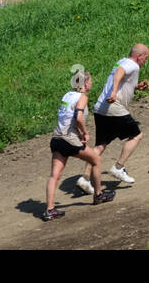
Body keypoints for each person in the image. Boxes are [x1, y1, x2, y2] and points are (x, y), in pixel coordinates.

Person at [77, 44, 149, 194]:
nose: (145, 61)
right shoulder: (132, 65)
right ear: (139, 56)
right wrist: (115, 92)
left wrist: (136, 87)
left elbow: (120, 78)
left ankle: (84, 178)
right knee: (136, 135)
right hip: (114, 107)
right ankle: (118, 168)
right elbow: (119, 74)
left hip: (100, 108)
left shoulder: (122, 61)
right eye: (146, 58)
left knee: (100, 145)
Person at [44, 69, 114, 220]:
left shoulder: (67, 95)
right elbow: (79, 118)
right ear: (85, 83)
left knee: (55, 175)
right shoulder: (82, 97)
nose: (92, 83)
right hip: (70, 139)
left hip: (56, 138)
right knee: (96, 160)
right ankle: (98, 195)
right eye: (90, 81)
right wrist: (84, 133)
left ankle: (50, 209)